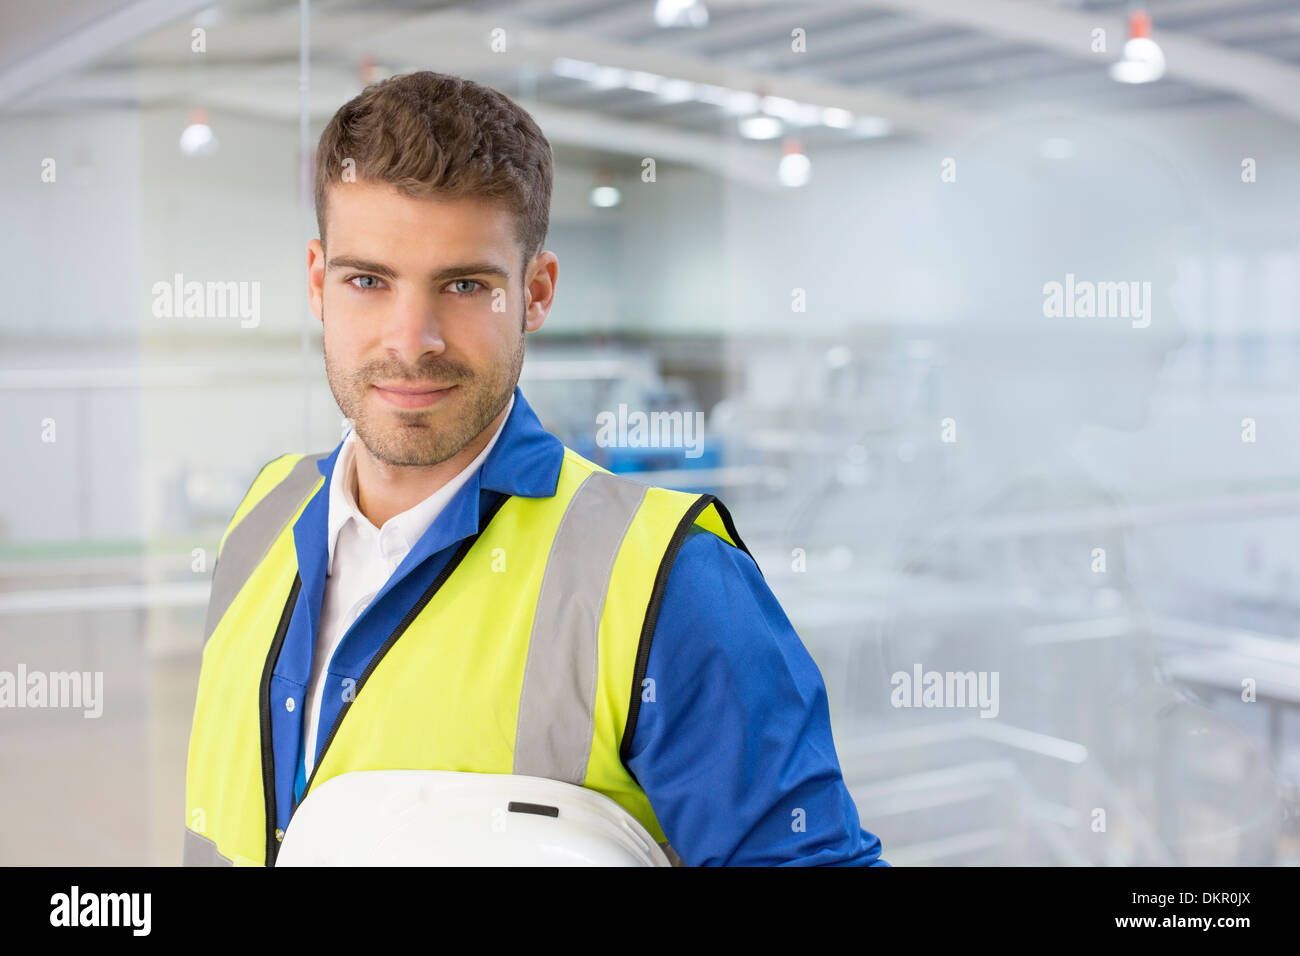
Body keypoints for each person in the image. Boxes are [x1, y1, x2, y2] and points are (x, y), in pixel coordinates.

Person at [184, 70, 887, 867]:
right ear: (318, 282)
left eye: (463, 285)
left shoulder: (665, 578)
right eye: (368, 281)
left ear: (536, 292)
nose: (411, 340)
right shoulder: (265, 515)